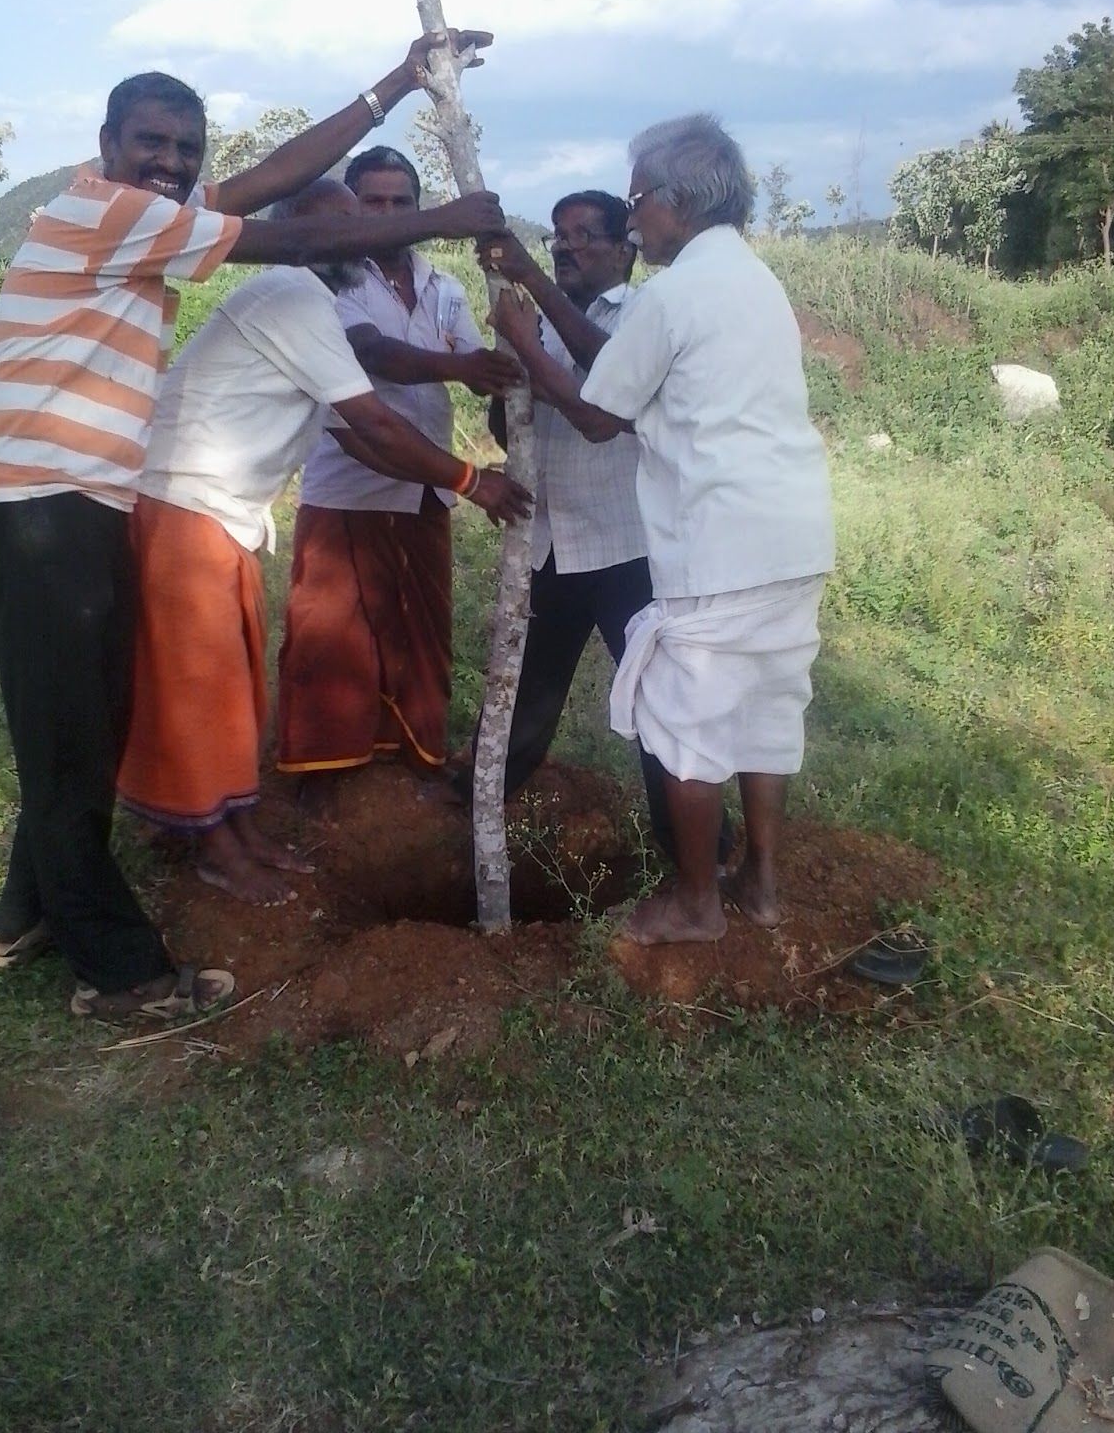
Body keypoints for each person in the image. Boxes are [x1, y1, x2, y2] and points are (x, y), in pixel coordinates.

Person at [0, 31, 506, 1021]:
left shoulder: (151, 220)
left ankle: (20, 916)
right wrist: (443, 216)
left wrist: (392, 81)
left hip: (92, 495)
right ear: (106, 142)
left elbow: (274, 181)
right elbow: (298, 230)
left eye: (187, 148)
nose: (171, 164)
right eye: (152, 142)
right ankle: (117, 970)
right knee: (68, 736)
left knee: (77, 725)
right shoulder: (109, 212)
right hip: (44, 500)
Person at [117, 177, 530, 902]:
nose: (363, 239)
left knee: (232, 687)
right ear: (308, 235)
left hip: (214, 511)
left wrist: (458, 478)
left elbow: (358, 437)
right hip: (182, 505)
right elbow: (373, 425)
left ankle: (235, 831)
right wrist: (472, 481)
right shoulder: (296, 296)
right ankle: (215, 847)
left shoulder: (307, 305)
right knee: (201, 689)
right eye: (347, 226)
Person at [494, 114, 835, 945]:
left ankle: (693, 904)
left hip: (716, 543)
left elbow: (595, 412)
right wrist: (541, 293)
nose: (634, 215)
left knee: (686, 721)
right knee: (764, 711)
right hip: (793, 535)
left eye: (638, 198)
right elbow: (616, 363)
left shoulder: (675, 292)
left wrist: (518, 344)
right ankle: (758, 881)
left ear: (678, 202)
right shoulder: (751, 279)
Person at [460, 192, 731, 868]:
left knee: (655, 701)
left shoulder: (643, 313)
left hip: (625, 547)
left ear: (624, 249)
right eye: (557, 235)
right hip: (550, 539)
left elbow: (604, 399)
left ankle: (697, 852)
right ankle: (474, 804)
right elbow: (509, 430)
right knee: (529, 693)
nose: (566, 246)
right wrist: (507, 376)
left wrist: (529, 320)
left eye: (584, 235)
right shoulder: (542, 321)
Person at [276, 147, 511, 801]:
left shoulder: (445, 286)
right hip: (349, 477)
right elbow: (373, 353)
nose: (386, 215)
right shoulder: (335, 278)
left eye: (399, 203)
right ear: (351, 211)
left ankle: (415, 752)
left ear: (417, 208)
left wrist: (504, 361)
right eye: (371, 204)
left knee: (420, 627)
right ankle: (318, 768)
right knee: (331, 629)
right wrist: (464, 369)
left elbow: (473, 359)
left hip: (426, 480)